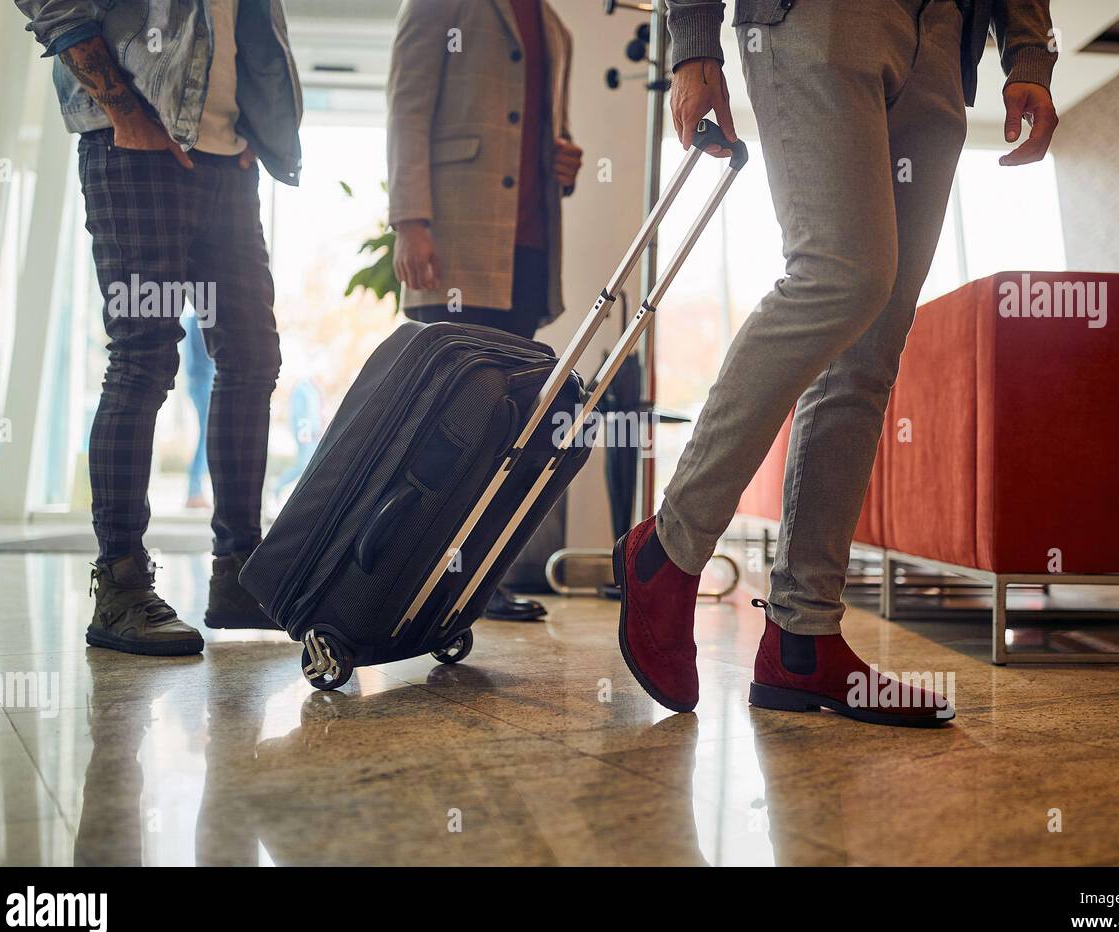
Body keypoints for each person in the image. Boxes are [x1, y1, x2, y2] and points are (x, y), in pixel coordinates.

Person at [615, 0, 1060, 723]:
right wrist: (693, 44)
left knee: (871, 350)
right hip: (816, 17)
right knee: (838, 273)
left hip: (945, 40)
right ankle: (669, 547)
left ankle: (803, 636)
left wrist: (1028, 52)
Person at [17, 0, 304, 654]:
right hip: (136, 146)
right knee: (144, 358)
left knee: (253, 360)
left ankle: (239, 574)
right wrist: (123, 108)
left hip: (228, 157)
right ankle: (119, 586)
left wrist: (250, 138)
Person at [387, 0, 585, 621]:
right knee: (445, 428)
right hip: (457, 245)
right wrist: (409, 222)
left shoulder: (555, 26)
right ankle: (401, 573)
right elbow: (406, 108)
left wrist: (567, 162)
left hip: (524, 253)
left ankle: (473, 581)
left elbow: (548, 136)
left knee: (505, 429)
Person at [179, 311, 214, 510]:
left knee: (206, 435)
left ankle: (195, 490)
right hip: (205, 380)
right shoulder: (203, 315)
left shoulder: (193, 317)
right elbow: (211, 351)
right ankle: (194, 492)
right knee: (207, 436)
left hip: (198, 380)